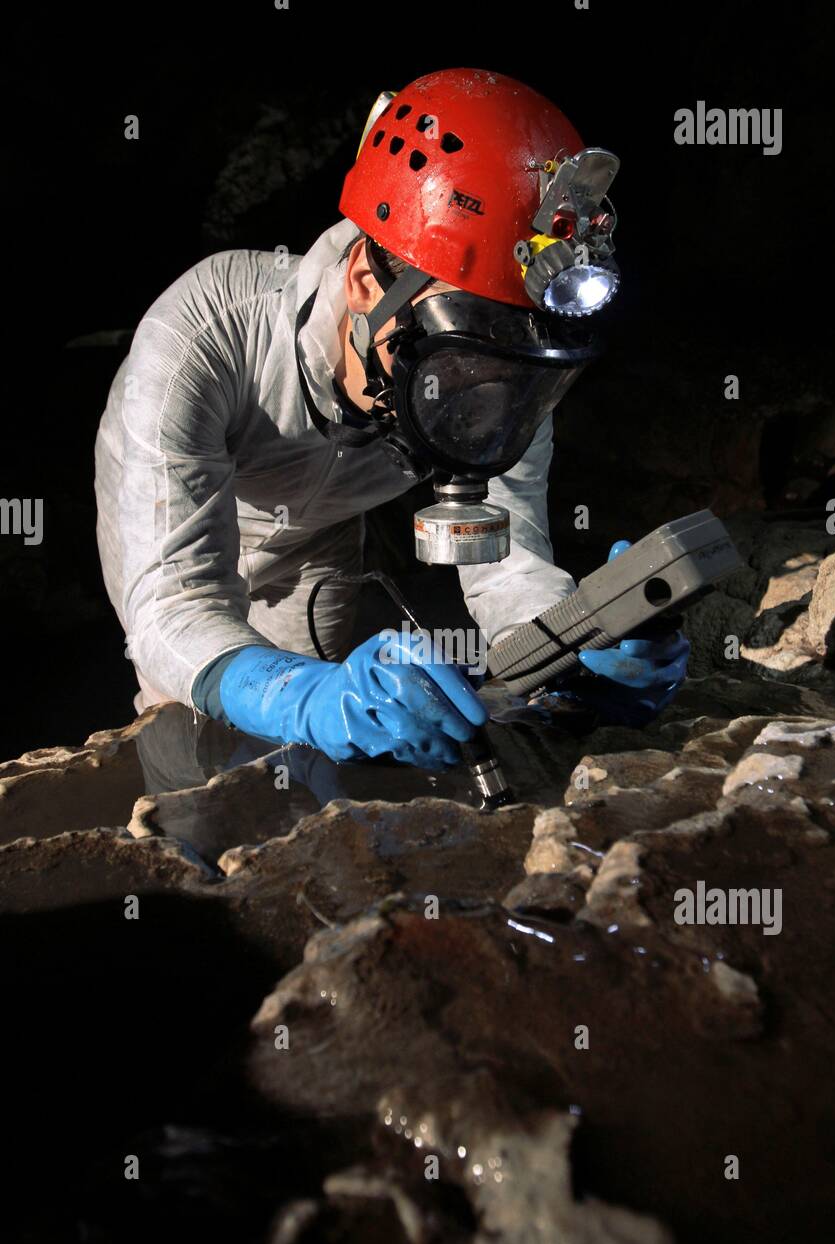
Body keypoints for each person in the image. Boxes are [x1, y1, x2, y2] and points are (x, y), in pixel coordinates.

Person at [94, 68, 688, 773]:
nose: (484, 391)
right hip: (191, 524)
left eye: (514, 361)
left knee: (300, 761)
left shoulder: (502, 368)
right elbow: (169, 605)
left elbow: (505, 569)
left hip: (319, 542)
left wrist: (577, 645)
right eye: (462, 356)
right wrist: (302, 697)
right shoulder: (203, 337)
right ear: (366, 284)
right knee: (187, 728)